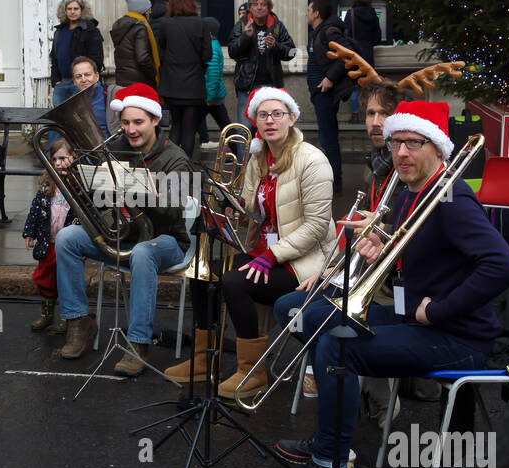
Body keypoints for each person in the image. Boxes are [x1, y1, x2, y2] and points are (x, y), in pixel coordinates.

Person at [260, 101, 509, 468]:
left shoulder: (452, 200)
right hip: (414, 315)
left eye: (413, 143)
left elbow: (503, 266)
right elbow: (422, 253)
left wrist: (439, 310)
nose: (401, 152)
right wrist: (382, 247)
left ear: (437, 148)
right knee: (307, 313)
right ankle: (329, 435)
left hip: (455, 335)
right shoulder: (412, 194)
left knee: (336, 347)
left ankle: (331, 466)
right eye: (397, 142)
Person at [166, 87, 334, 401]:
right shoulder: (259, 157)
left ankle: (252, 370)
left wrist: (270, 256)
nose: (270, 121)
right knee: (201, 273)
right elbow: (254, 212)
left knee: (234, 281)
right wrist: (235, 209)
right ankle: (204, 360)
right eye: (263, 115)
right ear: (255, 120)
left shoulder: (313, 161)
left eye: (277, 114)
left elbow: (316, 227)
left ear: (292, 118)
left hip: (305, 262)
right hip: (265, 252)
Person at [54, 83, 192, 376]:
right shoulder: (115, 151)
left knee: (143, 252)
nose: (130, 129)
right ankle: (78, 321)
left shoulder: (176, 157)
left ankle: (138, 342)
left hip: (166, 241)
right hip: (126, 235)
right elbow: (97, 200)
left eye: (138, 122)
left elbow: (175, 211)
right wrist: (77, 176)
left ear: (155, 120)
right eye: (126, 122)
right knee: (67, 238)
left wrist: (137, 190)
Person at [23, 138, 76, 335]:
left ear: (74, 158)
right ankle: (47, 314)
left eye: (63, 158)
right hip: (49, 241)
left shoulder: (80, 185)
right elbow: (35, 210)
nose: (57, 163)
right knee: (45, 278)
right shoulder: (47, 185)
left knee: (66, 279)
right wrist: (30, 232)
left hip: (70, 243)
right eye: (54, 159)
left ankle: (68, 316)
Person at [154, 0, 212, 161]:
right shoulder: (201, 24)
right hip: (193, 84)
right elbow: (207, 55)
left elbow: (162, 48)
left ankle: (170, 164)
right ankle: (184, 166)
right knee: (189, 129)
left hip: (172, 84)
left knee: (175, 127)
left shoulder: (166, 24)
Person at [305, 0, 352, 195]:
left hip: (326, 92)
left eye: (309, 10)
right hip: (319, 92)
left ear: (316, 13)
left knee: (328, 138)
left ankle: (334, 183)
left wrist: (330, 78)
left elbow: (347, 55)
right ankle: (333, 181)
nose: (306, 13)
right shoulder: (319, 32)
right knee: (327, 137)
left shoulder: (329, 31)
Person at [227, 0, 295, 115]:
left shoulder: (277, 26)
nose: (259, 7)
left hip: (272, 84)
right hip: (247, 85)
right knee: (245, 127)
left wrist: (275, 46)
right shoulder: (242, 25)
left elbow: (291, 52)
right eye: (255, 4)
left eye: (263, 4)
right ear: (250, 8)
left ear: (269, 8)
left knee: (270, 124)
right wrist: (245, 38)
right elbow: (232, 52)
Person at [49, 0, 104, 111]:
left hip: (82, 83)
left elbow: (97, 58)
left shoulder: (90, 30)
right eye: (69, 9)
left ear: (82, 10)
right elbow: (54, 57)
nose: (72, 12)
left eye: (76, 9)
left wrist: (87, 78)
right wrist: (56, 81)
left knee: (84, 118)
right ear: (64, 11)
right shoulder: (59, 31)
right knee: (60, 119)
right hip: (62, 84)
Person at [109, 0, 159, 91]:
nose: (150, 11)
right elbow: (143, 58)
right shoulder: (140, 27)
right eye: (148, 9)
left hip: (122, 80)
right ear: (142, 11)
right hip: (140, 81)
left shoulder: (120, 25)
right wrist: (154, 73)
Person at [344, 0, 382, 123]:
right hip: (368, 54)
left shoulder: (351, 13)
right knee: (370, 86)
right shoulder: (373, 14)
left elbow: (346, 36)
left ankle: (355, 115)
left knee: (354, 86)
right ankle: (371, 114)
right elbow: (377, 37)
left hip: (355, 54)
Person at [198, 16, 231, 148]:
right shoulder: (214, 45)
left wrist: (210, 97)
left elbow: (213, 74)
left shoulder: (210, 47)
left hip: (211, 96)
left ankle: (239, 153)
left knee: (226, 126)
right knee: (226, 126)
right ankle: (239, 152)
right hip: (211, 95)